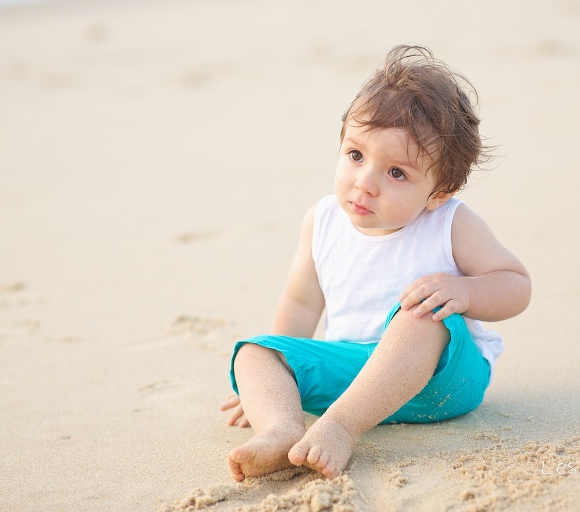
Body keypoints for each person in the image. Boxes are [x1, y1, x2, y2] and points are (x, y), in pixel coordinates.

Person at [219, 44, 531, 482]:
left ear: (439, 191)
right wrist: (275, 387)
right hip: (357, 380)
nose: (364, 183)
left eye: (396, 173)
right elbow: (301, 303)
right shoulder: (323, 220)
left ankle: (339, 429)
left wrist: (465, 291)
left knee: (422, 312)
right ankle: (280, 428)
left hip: (443, 380)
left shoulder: (450, 223)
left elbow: (516, 284)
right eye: (355, 155)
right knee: (255, 351)